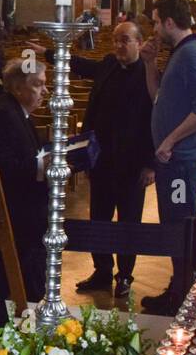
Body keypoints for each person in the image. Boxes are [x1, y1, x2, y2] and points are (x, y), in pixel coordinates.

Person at [64, 22, 156, 298]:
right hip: (101, 161)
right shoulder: (107, 65)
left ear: (138, 43)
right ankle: (102, 270)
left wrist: (151, 164)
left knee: (129, 222)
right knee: (98, 220)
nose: (118, 45)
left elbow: (155, 122)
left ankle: (125, 274)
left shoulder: (148, 75)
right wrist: (48, 52)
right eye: (115, 40)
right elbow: (79, 64)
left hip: (132, 165)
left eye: (125, 40)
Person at [144, 0, 196, 315]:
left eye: (156, 22)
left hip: (182, 162)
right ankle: (179, 287)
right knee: (174, 222)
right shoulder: (179, 53)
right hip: (173, 162)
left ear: (170, 22)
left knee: (180, 223)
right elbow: (156, 96)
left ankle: (184, 294)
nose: (154, 28)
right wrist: (148, 64)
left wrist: (170, 141)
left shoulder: (191, 55)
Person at [0, 58, 49, 302]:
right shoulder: (6, 114)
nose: (45, 91)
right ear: (17, 88)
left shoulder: (16, 110)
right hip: (18, 219)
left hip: (26, 214)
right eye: (38, 85)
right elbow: (5, 168)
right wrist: (42, 164)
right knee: (28, 282)